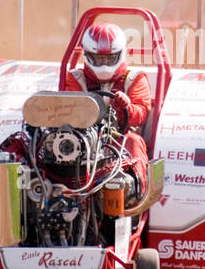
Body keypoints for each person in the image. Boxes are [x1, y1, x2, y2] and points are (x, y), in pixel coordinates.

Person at [61, 22, 153, 203]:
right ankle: (61, 195)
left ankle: (133, 195)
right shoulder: (75, 79)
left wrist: (126, 108)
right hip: (83, 140)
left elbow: (142, 113)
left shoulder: (134, 78)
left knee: (135, 142)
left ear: (120, 54)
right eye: (98, 58)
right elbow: (69, 110)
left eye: (109, 58)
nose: (103, 64)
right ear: (86, 55)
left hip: (122, 138)